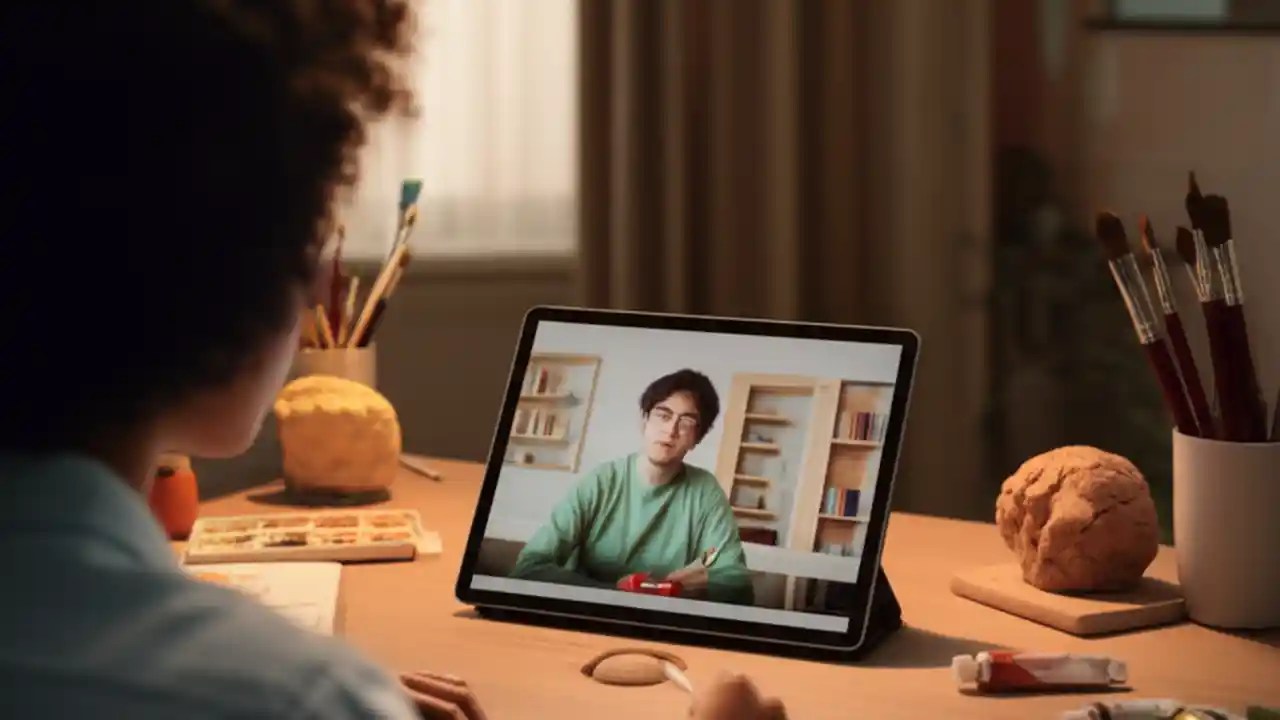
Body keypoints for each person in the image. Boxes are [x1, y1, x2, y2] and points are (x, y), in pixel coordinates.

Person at [0, 2, 783, 718]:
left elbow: (733, 586)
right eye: (313, 234)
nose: (320, 276)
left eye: (690, 423)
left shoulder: (705, 496)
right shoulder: (299, 696)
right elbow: (543, 566)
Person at [511, 370, 754, 605]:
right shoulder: (601, 481)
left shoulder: (705, 492)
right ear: (644, 421)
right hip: (584, 614)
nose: (670, 430)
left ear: (697, 437)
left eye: (686, 421)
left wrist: (685, 586)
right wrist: (617, 593)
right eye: (663, 414)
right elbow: (529, 567)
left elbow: (738, 586)